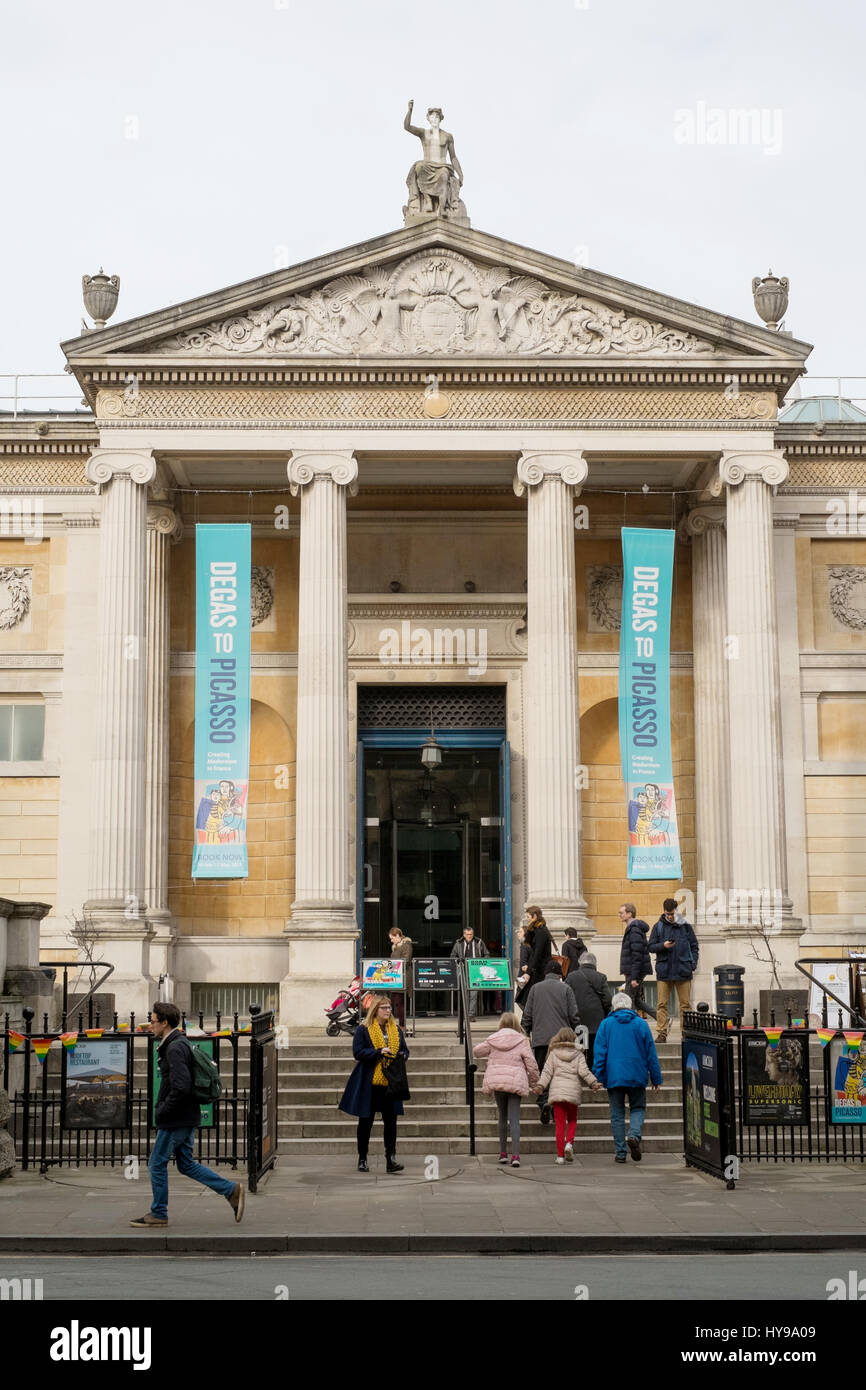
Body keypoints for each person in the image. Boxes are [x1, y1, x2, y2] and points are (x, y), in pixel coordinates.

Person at [130, 1002, 244, 1227]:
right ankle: (231, 1190)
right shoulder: (176, 1043)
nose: (150, 1025)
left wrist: (164, 1110)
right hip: (184, 1115)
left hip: (176, 1119)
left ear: (164, 1022)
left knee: (156, 1164)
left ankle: (159, 1213)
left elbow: (181, 1086)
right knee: (186, 1164)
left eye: (153, 1021)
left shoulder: (174, 1047)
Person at [339, 995, 410, 1173]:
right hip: (369, 1082)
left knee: (391, 1122)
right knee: (365, 1122)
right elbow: (358, 1052)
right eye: (384, 1008)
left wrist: (402, 1056)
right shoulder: (364, 1029)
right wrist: (378, 1052)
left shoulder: (396, 1029)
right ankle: (362, 1158)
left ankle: (391, 1159)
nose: (388, 1011)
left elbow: (405, 1049)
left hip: (391, 1082)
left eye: (389, 1008)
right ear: (375, 1010)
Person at [592, 991, 663, 1163]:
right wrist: (656, 1078)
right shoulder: (641, 1024)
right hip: (637, 1073)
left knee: (617, 1114)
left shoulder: (606, 1024)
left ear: (614, 1006)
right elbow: (650, 1053)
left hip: (614, 1075)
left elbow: (600, 1053)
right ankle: (634, 1135)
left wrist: (597, 1077)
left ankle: (620, 1153)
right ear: (630, 1005)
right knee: (638, 1108)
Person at [473, 1011, 539, 1168]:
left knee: (502, 1117)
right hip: (516, 1082)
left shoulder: (493, 1039)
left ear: (501, 1024)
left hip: (498, 1082)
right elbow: (531, 1063)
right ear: (516, 1024)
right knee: (514, 1119)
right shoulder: (522, 1040)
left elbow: (477, 1051)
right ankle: (515, 1156)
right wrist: (535, 1082)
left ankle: (503, 1153)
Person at [521, 961, 579, 1124]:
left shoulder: (535, 988)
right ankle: (554, 1106)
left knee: (542, 1072)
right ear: (560, 975)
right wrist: (577, 1034)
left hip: (540, 1040)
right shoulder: (566, 989)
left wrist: (525, 1032)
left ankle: (543, 1102)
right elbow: (574, 1015)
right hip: (560, 1040)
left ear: (546, 973)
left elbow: (527, 1015)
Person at [533, 1026, 602, 1163]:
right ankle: (569, 1144)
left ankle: (560, 1156)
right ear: (574, 1038)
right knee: (572, 1120)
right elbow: (584, 1072)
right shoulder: (579, 1054)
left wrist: (540, 1086)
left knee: (559, 1124)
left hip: (557, 1092)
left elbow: (546, 1072)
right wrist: (593, 1083)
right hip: (572, 1092)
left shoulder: (553, 1054)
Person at [648, 898, 699, 1042]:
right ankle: (662, 1033)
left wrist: (692, 964)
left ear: (677, 911)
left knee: (685, 1005)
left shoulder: (686, 927)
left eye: (672, 913)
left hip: (683, 970)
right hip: (664, 971)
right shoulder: (658, 927)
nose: (669, 916)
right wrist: (663, 945)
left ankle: (686, 1033)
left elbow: (694, 946)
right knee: (661, 1004)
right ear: (664, 912)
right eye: (667, 914)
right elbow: (650, 947)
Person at [565, 951, 612, 1069]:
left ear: (580, 963)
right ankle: (591, 1072)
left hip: (578, 1020)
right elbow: (607, 1000)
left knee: (580, 1048)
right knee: (593, 1049)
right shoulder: (601, 977)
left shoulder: (571, 977)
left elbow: (565, 998)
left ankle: (580, 1071)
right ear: (595, 964)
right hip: (596, 1021)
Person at [618, 902, 656, 1021]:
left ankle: (631, 1025)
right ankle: (662, 1019)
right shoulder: (633, 928)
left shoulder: (634, 929)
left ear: (629, 914)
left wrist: (634, 977)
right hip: (633, 970)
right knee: (636, 1000)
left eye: (621, 912)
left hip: (634, 971)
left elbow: (637, 954)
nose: (619, 915)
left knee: (629, 1000)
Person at [515, 906, 553, 1005]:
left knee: (528, 1000)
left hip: (540, 971)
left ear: (535, 916)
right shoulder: (536, 930)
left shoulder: (541, 931)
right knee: (526, 999)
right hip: (535, 969)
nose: (527, 920)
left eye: (528, 917)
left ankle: (530, 1020)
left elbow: (537, 954)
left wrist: (528, 972)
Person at [450, 924, 489, 1019]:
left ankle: (471, 1015)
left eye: (471, 934)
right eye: (467, 934)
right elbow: (452, 955)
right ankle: (464, 1014)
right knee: (464, 993)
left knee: (474, 993)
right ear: (464, 935)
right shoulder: (458, 943)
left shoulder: (479, 942)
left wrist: (482, 964)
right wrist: (458, 963)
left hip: (476, 971)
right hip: (463, 970)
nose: (469, 936)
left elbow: (486, 954)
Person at [388, 926, 413, 1028]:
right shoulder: (396, 947)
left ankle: (402, 1025)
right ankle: (397, 1024)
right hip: (396, 977)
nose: (391, 940)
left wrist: (392, 967)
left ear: (397, 935)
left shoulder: (406, 945)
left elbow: (406, 961)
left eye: (392, 938)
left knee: (399, 1002)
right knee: (396, 1002)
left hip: (403, 977)